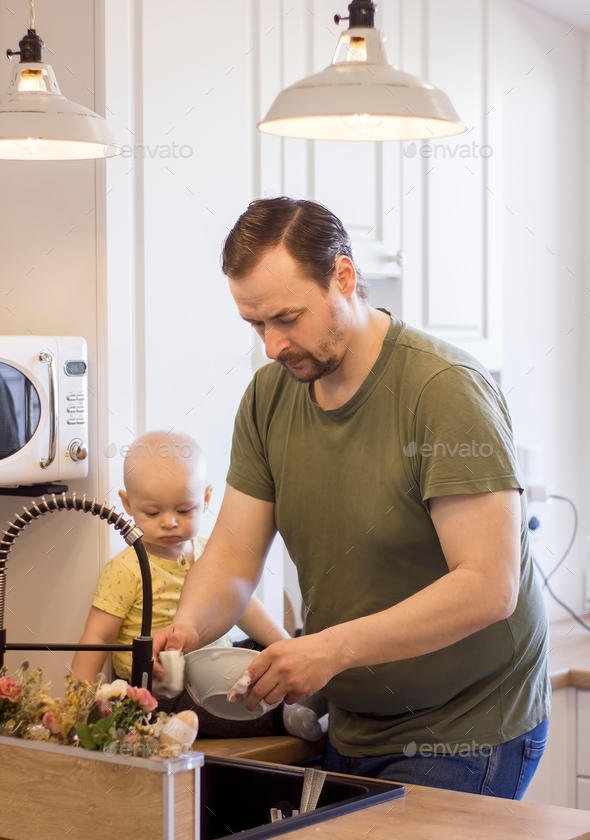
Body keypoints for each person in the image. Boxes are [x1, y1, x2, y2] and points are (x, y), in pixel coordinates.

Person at [153, 198, 550, 799]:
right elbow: (233, 557)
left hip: (467, 724)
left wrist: (330, 649)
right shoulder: (268, 399)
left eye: (287, 318)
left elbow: (489, 586)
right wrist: (186, 630)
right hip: (356, 720)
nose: (272, 345)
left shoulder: (444, 392)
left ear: (343, 276)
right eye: (256, 325)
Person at [72, 430, 326, 740]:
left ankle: (308, 696)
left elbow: (244, 607)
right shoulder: (126, 570)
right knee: (191, 711)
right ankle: (284, 716)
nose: (170, 522)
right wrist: (78, 705)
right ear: (127, 503)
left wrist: (288, 648)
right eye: (153, 512)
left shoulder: (212, 556)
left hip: (221, 672)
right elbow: (97, 636)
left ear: (205, 499)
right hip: (164, 691)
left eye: (183, 510)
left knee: (266, 652)